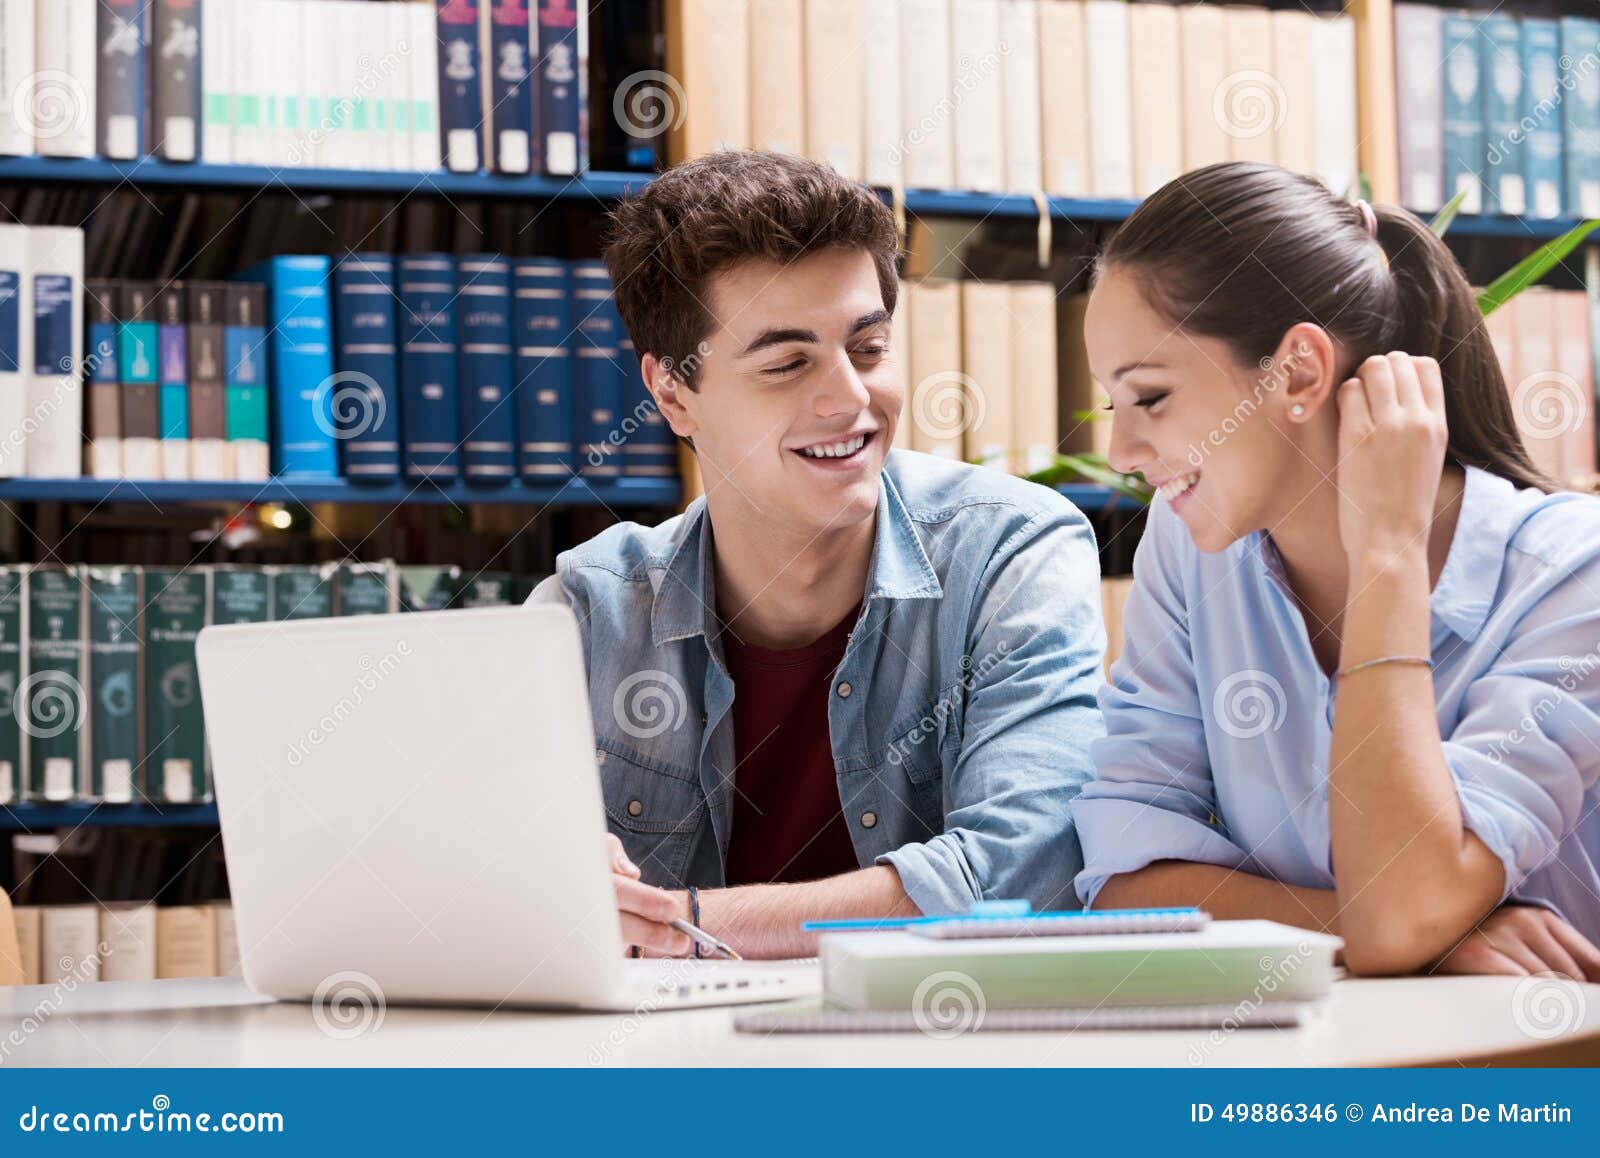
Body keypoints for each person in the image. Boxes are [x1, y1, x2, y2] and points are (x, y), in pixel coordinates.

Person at [530, 150, 1105, 959]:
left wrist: (670, 925)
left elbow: (1028, 871)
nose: (850, 400)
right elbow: (483, 889)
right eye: (787, 363)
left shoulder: (1010, 552)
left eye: (868, 349)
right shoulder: (588, 611)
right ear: (672, 394)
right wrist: (538, 884)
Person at [1073, 160, 1600, 980]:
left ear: (1299, 373)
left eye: (1151, 398)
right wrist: (1432, 937)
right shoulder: (1189, 557)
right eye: (1114, 404)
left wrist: (1386, 551)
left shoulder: (1573, 573)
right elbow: (1123, 883)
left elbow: (1397, 913)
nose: (1123, 455)